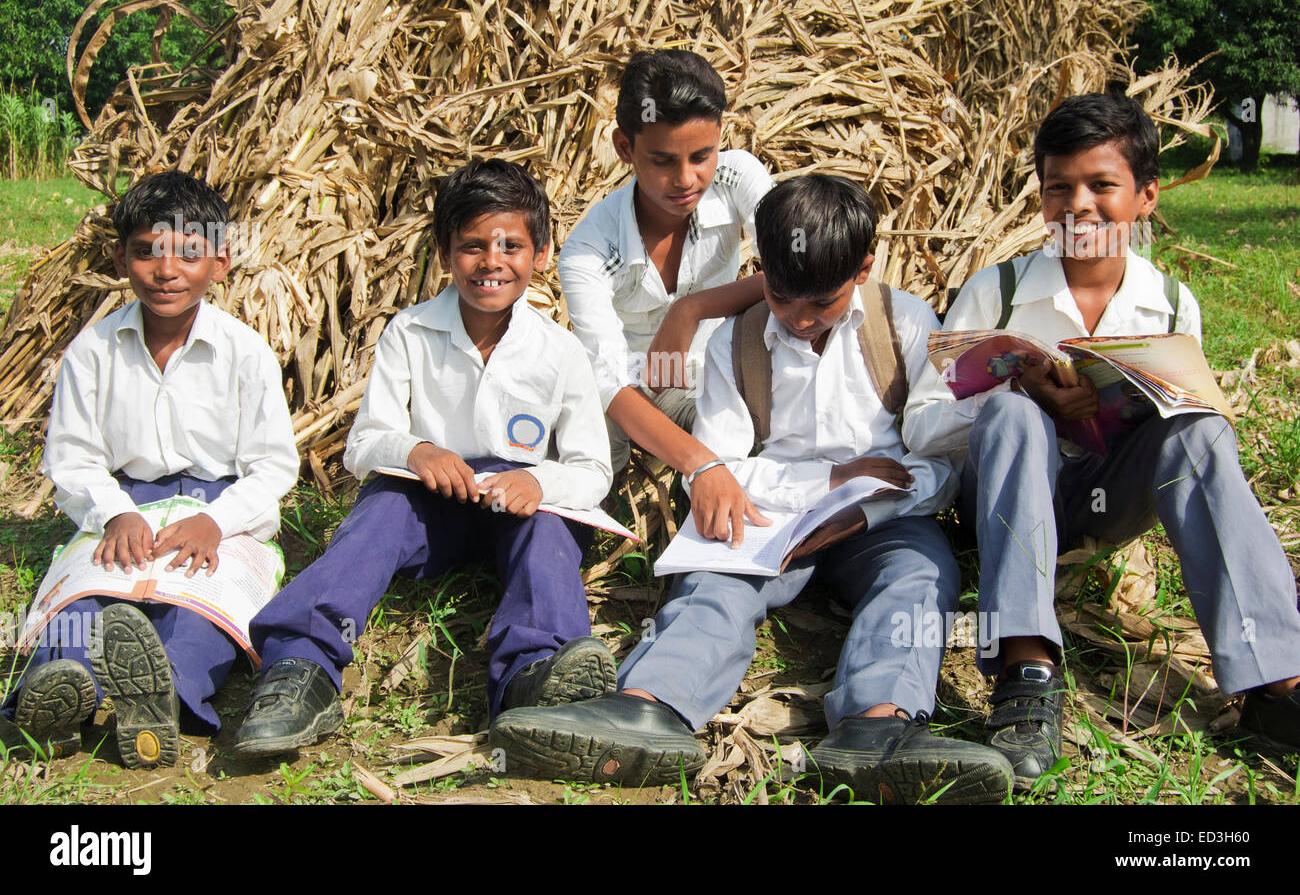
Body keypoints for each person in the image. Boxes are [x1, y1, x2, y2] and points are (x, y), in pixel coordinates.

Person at [491, 175, 1015, 803]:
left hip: (881, 519)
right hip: (769, 514)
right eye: (780, 293)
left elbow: (935, 460)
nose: (797, 318)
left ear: (864, 268)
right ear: (760, 267)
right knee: (712, 585)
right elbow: (726, 464)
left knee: (918, 578)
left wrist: (864, 508)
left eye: (820, 302)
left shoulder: (902, 324)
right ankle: (646, 708)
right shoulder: (735, 341)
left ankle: (878, 728)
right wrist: (826, 481)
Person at [905, 92, 1300, 786]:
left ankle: (1277, 682)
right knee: (1013, 415)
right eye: (1059, 187)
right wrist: (1024, 396)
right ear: (1041, 198)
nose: (1078, 205)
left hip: (1104, 504)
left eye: (1101, 185)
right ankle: (1028, 668)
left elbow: (1187, 418)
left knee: (1202, 431)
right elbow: (923, 423)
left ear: (1146, 196)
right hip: (1005, 503)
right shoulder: (995, 292)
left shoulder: (1172, 304)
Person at [233, 158, 615, 756]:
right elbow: (363, 445)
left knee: (550, 533)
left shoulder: (560, 352)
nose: (492, 261)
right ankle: (298, 668)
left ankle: (534, 678)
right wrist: (416, 449)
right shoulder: (409, 334)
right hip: (430, 507)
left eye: (512, 244)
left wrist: (539, 483)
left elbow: (593, 470)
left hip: (516, 509)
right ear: (443, 254)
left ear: (540, 254)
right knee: (381, 511)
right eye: (471, 246)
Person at [0, 170, 299, 767]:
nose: (167, 271)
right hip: (122, 502)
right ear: (120, 258)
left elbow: (271, 466)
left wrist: (217, 520)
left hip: (219, 507)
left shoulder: (245, 352)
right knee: (83, 598)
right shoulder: (93, 351)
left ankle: (168, 695)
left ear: (220, 261)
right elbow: (73, 457)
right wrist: (114, 513)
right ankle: (56, 694)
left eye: (189, 254)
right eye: (146, 253)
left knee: (201, 605)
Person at [558, 48, 778, 548]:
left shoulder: (739, 175)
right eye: (662, 161)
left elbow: (800, 273)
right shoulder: (588, 250)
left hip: (711, 377)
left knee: (766, 447)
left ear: (719, 139)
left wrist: (692, 308)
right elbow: (609, 384)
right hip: (623, 394)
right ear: (623, 148)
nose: (685, 179)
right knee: (586, 474)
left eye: (700, 156)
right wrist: (702, 461)